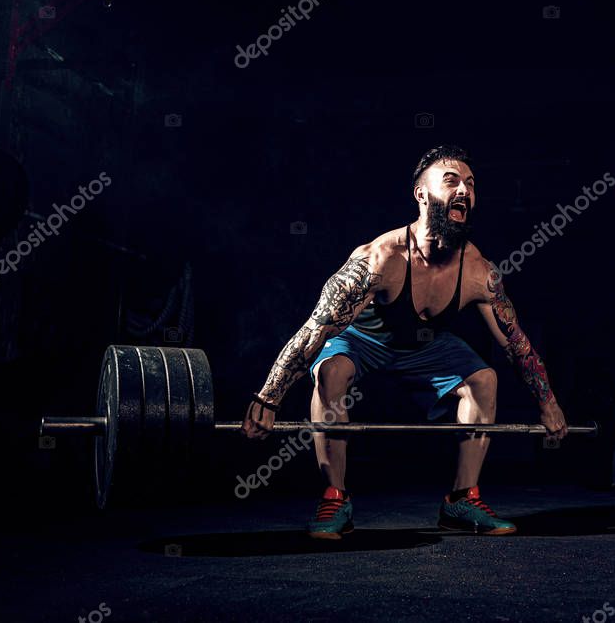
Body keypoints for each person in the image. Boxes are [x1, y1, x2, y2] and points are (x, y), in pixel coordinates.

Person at [241, 145, 568, 538]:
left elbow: (517, 346)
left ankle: (461, 499)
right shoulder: (380, 259)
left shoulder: (480, 273)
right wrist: (268, 397)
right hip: (361, 340)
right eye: (451, 181)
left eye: (470, 183)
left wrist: (548, 403)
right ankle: (335, 498)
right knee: (331, 370)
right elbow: (316, 330)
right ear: (421, 194)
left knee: (484, 380)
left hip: (425, 349)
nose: (464, 189)